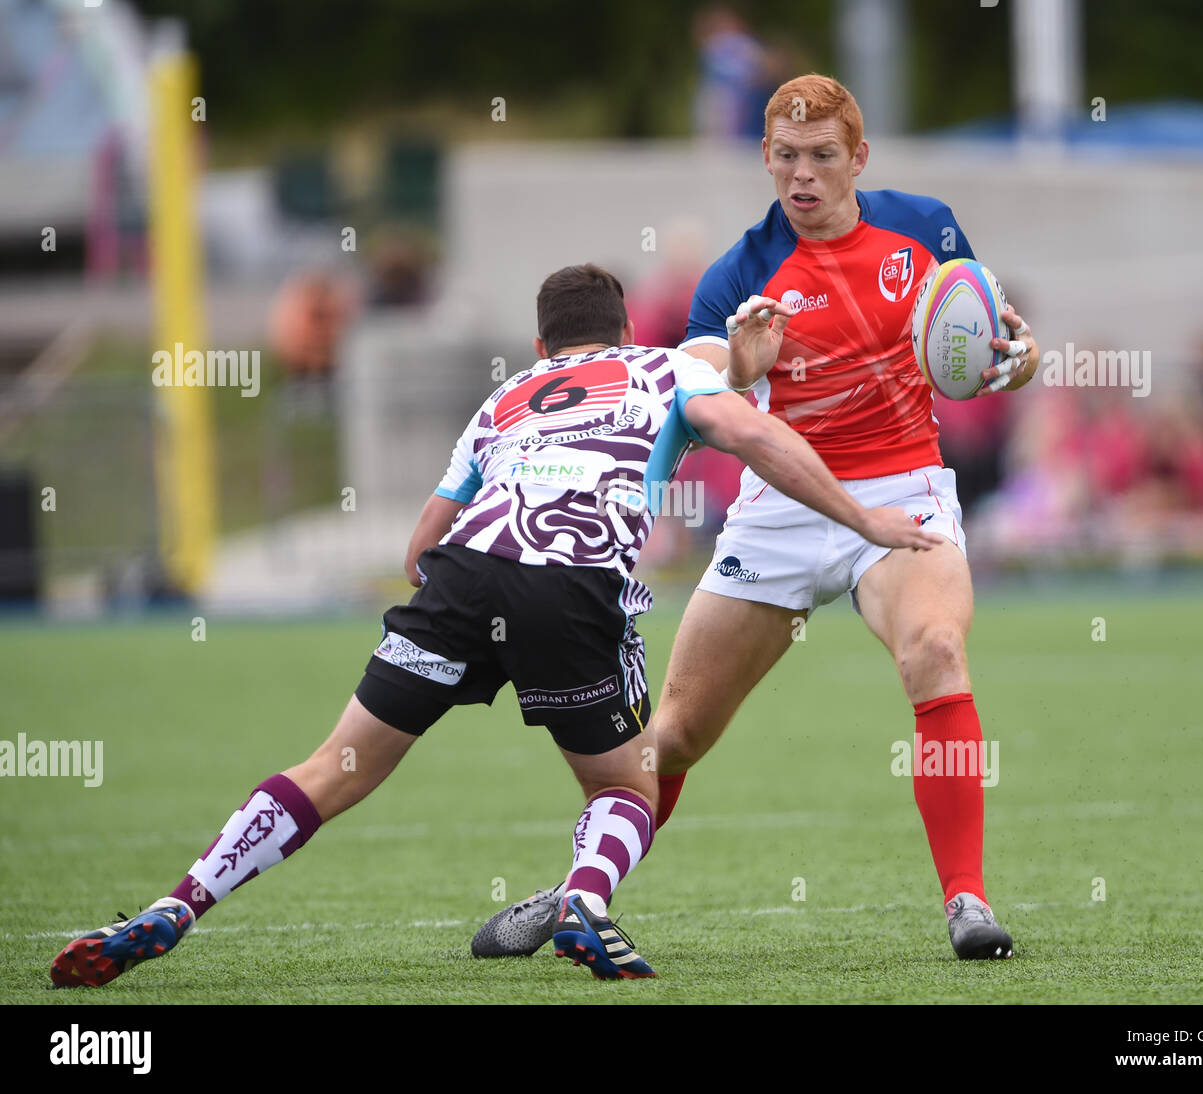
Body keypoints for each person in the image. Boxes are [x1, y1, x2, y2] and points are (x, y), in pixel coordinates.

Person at [49, 263, 941, 988]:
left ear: (538, 343)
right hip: (571, 584)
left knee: (330, 769)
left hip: (463, 579)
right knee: (626, 788)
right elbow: (752, 437)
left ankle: (176, 905)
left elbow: (421, 544)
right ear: (626, 332)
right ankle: (586, 905)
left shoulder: (506, 399)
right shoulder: (666, 368)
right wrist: (862, 519)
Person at [474, 75, 1040, 962]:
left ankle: (966, 900)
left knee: (936, 651)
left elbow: (983, 342)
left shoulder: (926, 228)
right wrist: (743, 367)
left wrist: (1019, 359)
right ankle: (578, 888)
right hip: (779, 508)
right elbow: (694, 389)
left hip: (902, 493)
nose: (802, 175)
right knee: (674, 734)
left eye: (822, 157)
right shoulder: (739, 274)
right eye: (786, 157)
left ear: (859, 157)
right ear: (765, 158)